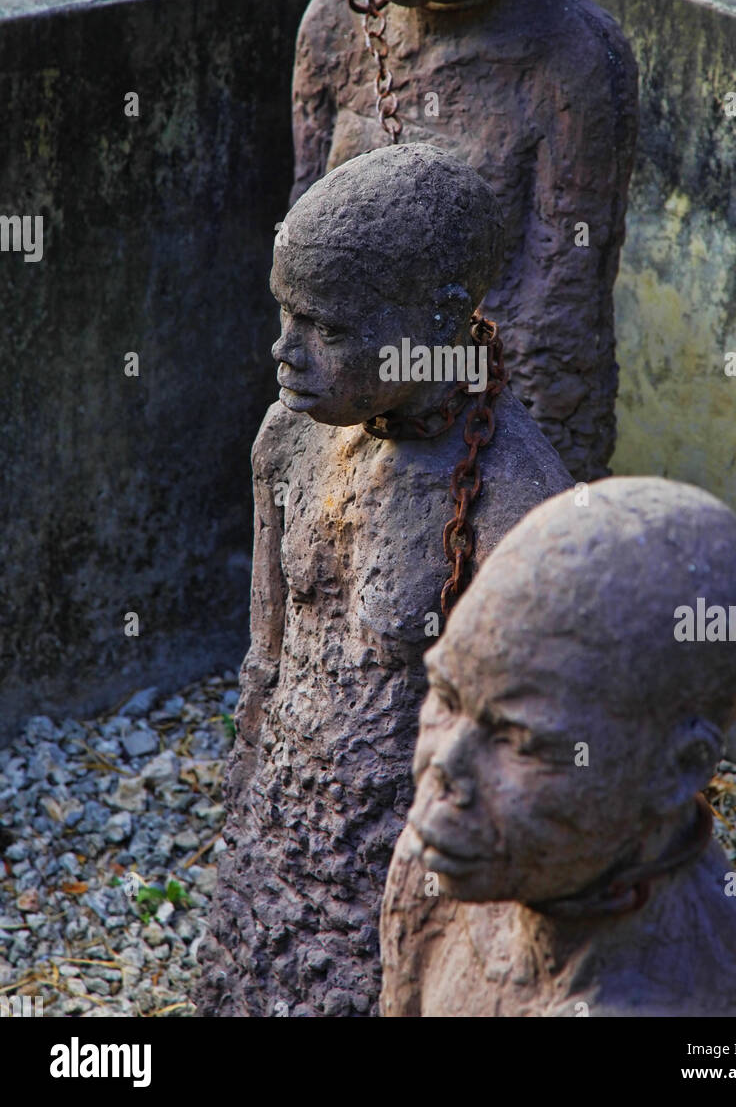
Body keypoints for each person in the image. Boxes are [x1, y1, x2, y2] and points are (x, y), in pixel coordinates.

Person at [197, 142, 572, 1015]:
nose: (284, 351)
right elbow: (267, 649)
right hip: (284, 831)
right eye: (284, 314)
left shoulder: (515, 503)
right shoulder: (286, 439)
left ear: (439, 324)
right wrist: (248, 787)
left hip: (402, 858)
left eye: (325, 328)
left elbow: (534, 746)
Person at [291, 0, 638, 481]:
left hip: (486, 434)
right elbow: (301, 261)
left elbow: (559, 317)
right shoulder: (334, 23)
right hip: (341, 413)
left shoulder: (571, 62)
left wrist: (525, 494)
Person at [381, 477, 736, 1017]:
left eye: (520, 740)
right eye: (447, 697)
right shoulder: (434, 869)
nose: (445, 769)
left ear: (677, 771)